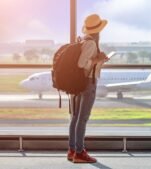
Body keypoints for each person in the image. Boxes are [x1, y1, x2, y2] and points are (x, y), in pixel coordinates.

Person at [67, 14, 109, 163]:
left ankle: (72, 150)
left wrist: (100, 59)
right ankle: (79, 153)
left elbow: (84, 62)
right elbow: (81, 64)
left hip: (77, 83)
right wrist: (97, 59)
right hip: (86, 83)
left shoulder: (83, 40)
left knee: (75, 117)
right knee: (82, 118)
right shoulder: (91, 43)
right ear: (98, 30)